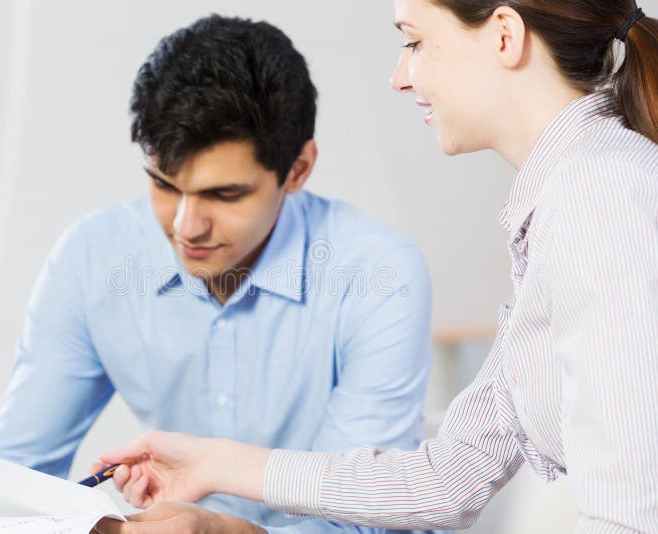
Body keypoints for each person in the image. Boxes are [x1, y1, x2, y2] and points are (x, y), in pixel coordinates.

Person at [89, 1, 658, 532]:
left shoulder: (600, 196)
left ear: (505, 35)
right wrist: (214, 465)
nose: (399, 77)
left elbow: (630, 515)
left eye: (414, 42)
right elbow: (448, 478)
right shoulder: (573, 192)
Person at [0, 14, 434, 534]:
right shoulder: (93, 257)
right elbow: (17, 471)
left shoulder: (376, 273)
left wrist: (221, 533)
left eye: (224, 194)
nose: (186, 226)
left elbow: (366, 517)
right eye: (163, 184)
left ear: (298, 169)